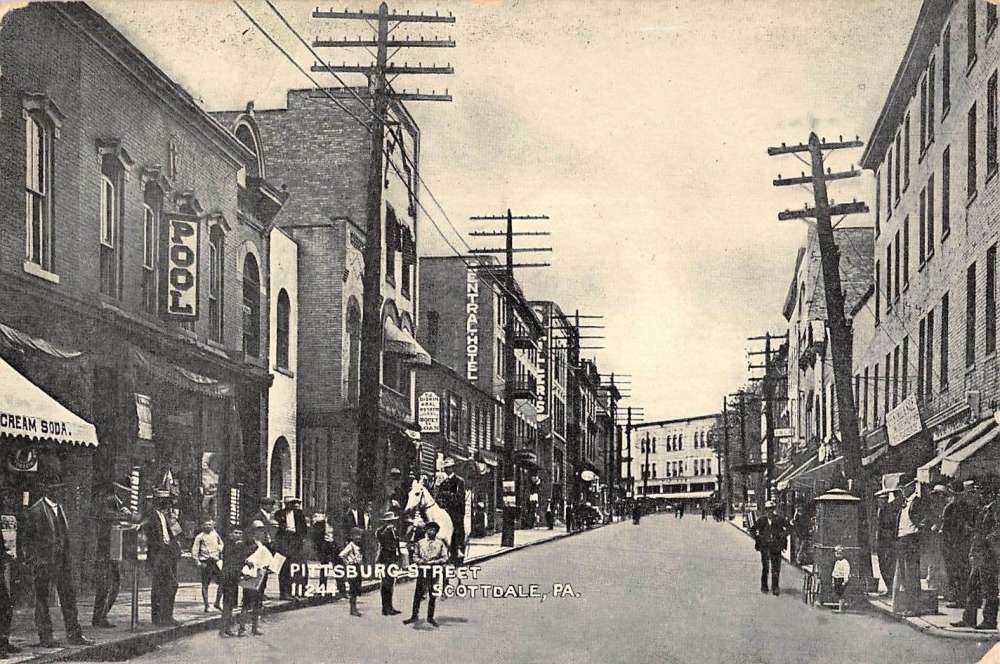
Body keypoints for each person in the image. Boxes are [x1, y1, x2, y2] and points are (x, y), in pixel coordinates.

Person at [19, 460, 95, 647]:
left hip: (62, 563)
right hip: (44, 564)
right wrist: (34, 561)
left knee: (69, 599)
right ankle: (46, 638)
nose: (57, 492)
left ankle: (75, 635)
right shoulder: (36, 511)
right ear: (46, 490)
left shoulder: (61, 508)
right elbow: (27, 540)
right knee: (42, 601)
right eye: (54, 488)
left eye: (60, 488)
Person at [952, 486, 999, 630]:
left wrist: (988, 539)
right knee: (973, 587)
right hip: (980, 554)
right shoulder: (984, 510)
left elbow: (997, 530)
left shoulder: (995, 509)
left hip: (989, 554)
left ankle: (989, 621)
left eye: (984, 493)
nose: (982, 496)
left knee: (989, 588)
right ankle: (969, 618)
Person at [91, 484, 129, 628]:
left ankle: (101, 615)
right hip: (107, 548)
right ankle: (99, 616)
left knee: (112, 583)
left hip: (113, 547)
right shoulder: (108, 500)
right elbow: (104, 516)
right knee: (107, 583)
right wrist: (122, 515)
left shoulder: (116, 501)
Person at [143, 490, 182, 626]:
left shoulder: (165, 516)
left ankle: (165, 616)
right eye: (164, 501)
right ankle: (160, 617)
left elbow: (174, 533)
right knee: (165, 585)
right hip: (158, 554)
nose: (167, 503)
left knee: (167, 585)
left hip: (168, 553)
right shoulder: (152, 516)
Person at [403, 521, 449, 627]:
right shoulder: (420, 543)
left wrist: (434, 562)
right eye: (429, 530)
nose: (431, 532)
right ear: (426, 531)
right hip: (422, 570)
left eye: (434, 530)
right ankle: (414, 616)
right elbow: (415, 556)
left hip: (434, 571)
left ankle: (430, 617)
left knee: (432, 594)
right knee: (418, 594)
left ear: (436, 532)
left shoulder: (440, 544)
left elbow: (444, 557)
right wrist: (421, 561)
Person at [941, 479, 975, 609]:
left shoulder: (949, 507)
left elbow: (945, 528)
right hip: (962, 544)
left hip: (952, 544)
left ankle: (957, 598)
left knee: (954, 572)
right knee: (962, 571)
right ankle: (961, 598)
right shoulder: (967, 506)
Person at [893, 484, 926, 617]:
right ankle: (908, 606)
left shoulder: (917, 502)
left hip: (911, 540)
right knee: (905, 576)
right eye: (901, 489)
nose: (903, 491)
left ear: (911, 487)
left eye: (904, 488)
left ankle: (914, 607)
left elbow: (925, 519)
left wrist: (919, 530)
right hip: (902, 540)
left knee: (911, 575)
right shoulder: (905, 503)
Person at [238, 520, 272, 636]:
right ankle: (242, 628)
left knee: (258, 602)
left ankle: (255, 627)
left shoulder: (263, 544)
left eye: (262, 530)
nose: (261, 533)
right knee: (246, 603)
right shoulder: (249, 544)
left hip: (261, 575)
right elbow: (244, 557)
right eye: (259, 530)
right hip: (251, 575)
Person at [748, 500, 788, 596]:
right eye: (768, 509)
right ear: (765, 510)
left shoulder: (779, 519)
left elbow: (789, 528)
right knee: (765, 567)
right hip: (765, 547)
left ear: (774, 510)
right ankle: (764, 586)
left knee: (776, 568)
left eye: (771, 509)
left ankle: (775, 587)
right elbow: (752, 529)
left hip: (776, 547)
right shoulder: (762, 520)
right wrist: (757, 538)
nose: (770, 511)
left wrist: (783, 535)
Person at [219, 526, 252, 638]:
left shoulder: (239, 546)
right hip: (228, 577)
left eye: (240, 533)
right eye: (236, 533)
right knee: (227, 604)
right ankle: (223, 630)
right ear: (231, 534)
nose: (238, 535)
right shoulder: (229, 546)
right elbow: (234, 561)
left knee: (231, 604)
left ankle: (227, 628)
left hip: (234, 578)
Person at [274, 496, 307, 600]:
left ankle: (300, 591)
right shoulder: (279, 514)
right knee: (285, 568)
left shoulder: (299, 514)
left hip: (296, 541)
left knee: (299, 567)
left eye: (293, 503)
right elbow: (278, 528)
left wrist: (301, 539)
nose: (293, 505)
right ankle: (284, 592)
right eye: (290, 503)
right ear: (285, 504)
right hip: (284, 541)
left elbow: (304, 529)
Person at [435, 458, 467, 565]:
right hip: (445, 511)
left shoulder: (459, 481)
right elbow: (438, 497)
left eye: (449, 467)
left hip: (456, 512)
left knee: (456, 530)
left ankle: (458, 550)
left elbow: (459, 497)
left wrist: (446, 496)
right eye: (446, 468)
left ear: (453, 468)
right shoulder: (443, 483)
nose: (447, 470)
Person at [191, 519, 224, 612]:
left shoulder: (215, 534)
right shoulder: (200, 537)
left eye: (210, 524)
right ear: (202, 526)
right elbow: (195, 550)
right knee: (205, 584)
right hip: (206, 561)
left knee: (222, 582)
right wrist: (197, 562)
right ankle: (206, 605)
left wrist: (219, 549)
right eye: (206, 524)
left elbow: (221, 544)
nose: (208, 526)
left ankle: (217, 602)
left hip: (216, 561)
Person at [874, 487, 902, 595]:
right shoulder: (878, 511)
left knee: (888, 564)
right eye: (880, 500)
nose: (881, 502)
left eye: (883, 500)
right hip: (880, 542)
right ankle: (889, 588)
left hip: (888, 542)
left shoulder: (889, 511)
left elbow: (890, 526)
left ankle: (891, 588)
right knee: (882, 565)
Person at [376, 511, 402, 616]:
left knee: (391, 583)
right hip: (384, 558)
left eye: (392, 521)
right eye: (389, 521)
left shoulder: (395, 531)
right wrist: (387, 530)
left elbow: (397, 544)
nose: (391, 523)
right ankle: (385, 607)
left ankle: (390, 607)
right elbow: (381, 540)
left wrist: (399, 557)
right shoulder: (380, 531)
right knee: (385, 583)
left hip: (393, 558)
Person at [339, 527, 365, 617]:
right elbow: (341, 555)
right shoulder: (350, 546)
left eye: (360, 535)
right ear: (352, 536)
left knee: (357, 587)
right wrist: (347, 562)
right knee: (353, 588)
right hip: (352, 567)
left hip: (357, 567)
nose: (358, 537)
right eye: (356, 535)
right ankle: (352, 608)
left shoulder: (359, 546)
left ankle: (354, 607)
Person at [832, 545, 851, 614]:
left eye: (840, 554)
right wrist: (833, 579)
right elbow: (834, 571)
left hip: (841, 579)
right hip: (836, 578)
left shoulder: (845, 562)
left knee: (841, 594)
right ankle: (839, 607)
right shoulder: (837, 562)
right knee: (838, 593)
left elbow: (846, 572)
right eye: (837, 553)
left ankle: (841, 609)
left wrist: (845, 581)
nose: (838, 555)